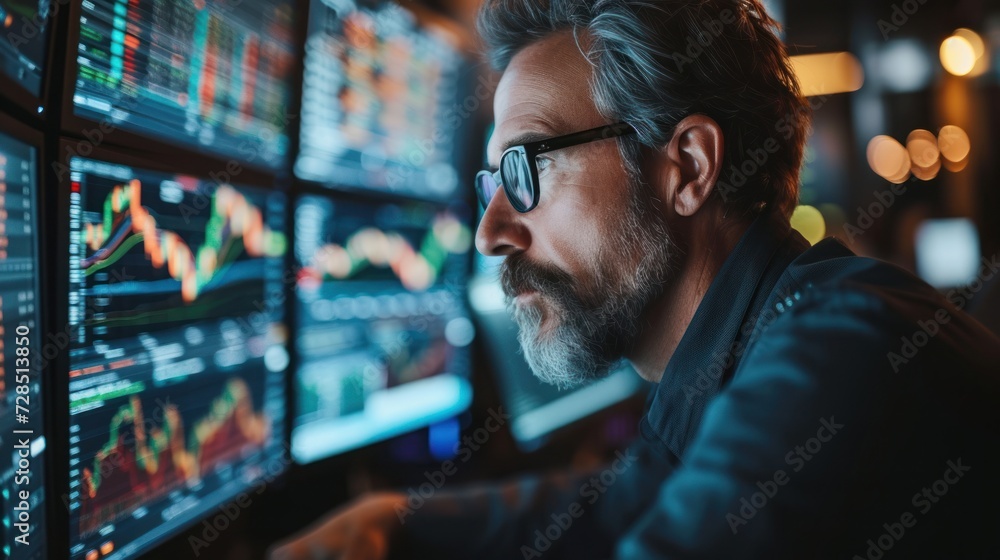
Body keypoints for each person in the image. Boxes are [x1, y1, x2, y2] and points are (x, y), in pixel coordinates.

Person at [270, 0, 1000, 558]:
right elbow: (628, 500)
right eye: (492, 180)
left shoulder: (845, 349)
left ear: (687, 167)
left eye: (526, 169)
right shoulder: (747, 351)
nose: (491, 232)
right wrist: (398, 522)